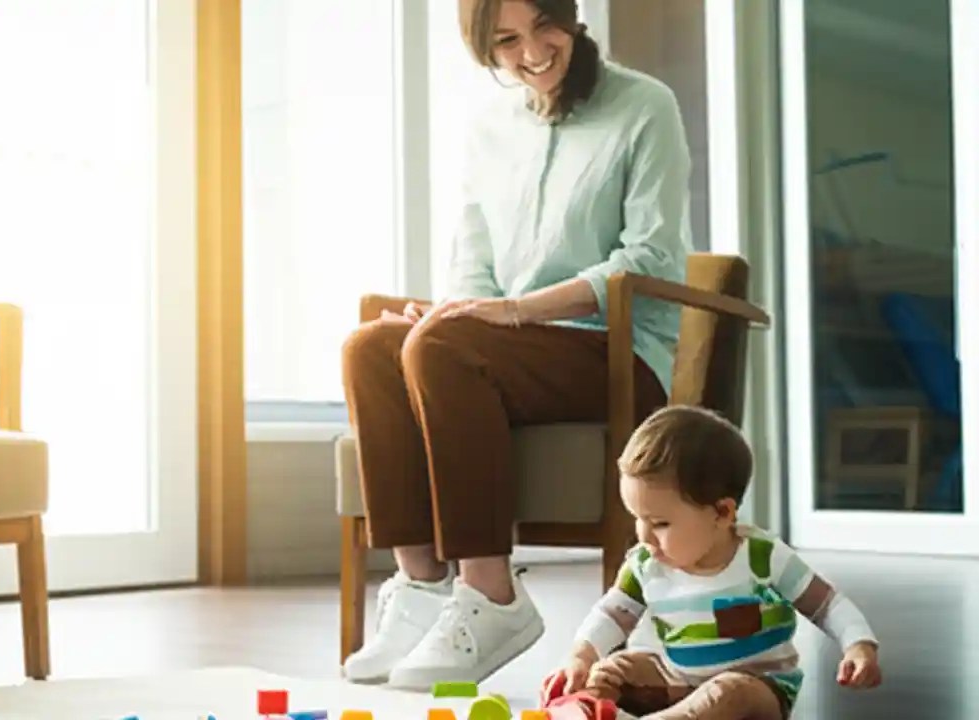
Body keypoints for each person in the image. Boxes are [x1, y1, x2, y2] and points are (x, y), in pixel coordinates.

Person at [339, 0, 694, 691]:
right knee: (371, 347)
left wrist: (516, 310)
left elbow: (649, 259)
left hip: (612, 350)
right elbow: (473, 258)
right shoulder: (489, 130)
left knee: (438, 347)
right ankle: (421, 592)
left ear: (571, 16)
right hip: (506, 350)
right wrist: (454, 311)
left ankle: (492, 594)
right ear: (485, 50)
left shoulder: (644, 105)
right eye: (506, 40)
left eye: (544, 26)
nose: (532, 51)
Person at [539, 406, 882, 719]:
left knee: (728, 690)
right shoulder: (645, 564)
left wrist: (859, 645)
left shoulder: (762, 557)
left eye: (659, 523)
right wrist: (581, 657)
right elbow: (611, 613)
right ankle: (583, 710)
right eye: (636, 518)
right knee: (614, 668)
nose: (643, 536)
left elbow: (827, 605)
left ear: (722, 513)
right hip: (675, 679)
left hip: (758, 689)